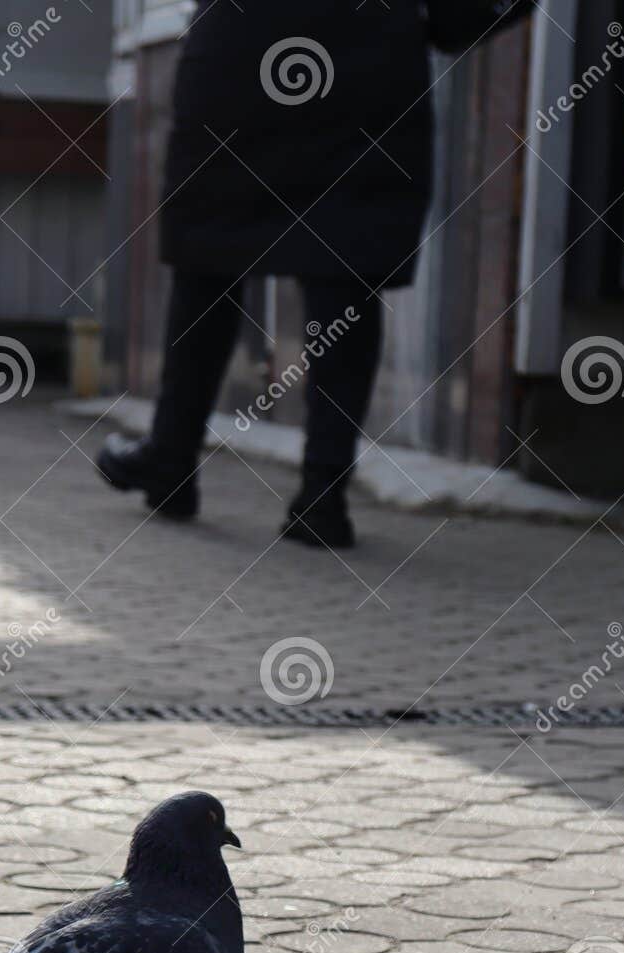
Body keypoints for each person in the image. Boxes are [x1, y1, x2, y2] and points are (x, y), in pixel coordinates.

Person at [97, 0, 533, 549]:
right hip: (364, 66)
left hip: (241, 56)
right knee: (343, 272)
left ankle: (171, 459)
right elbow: (454, 21)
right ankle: (323, 497)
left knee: (208, 261)